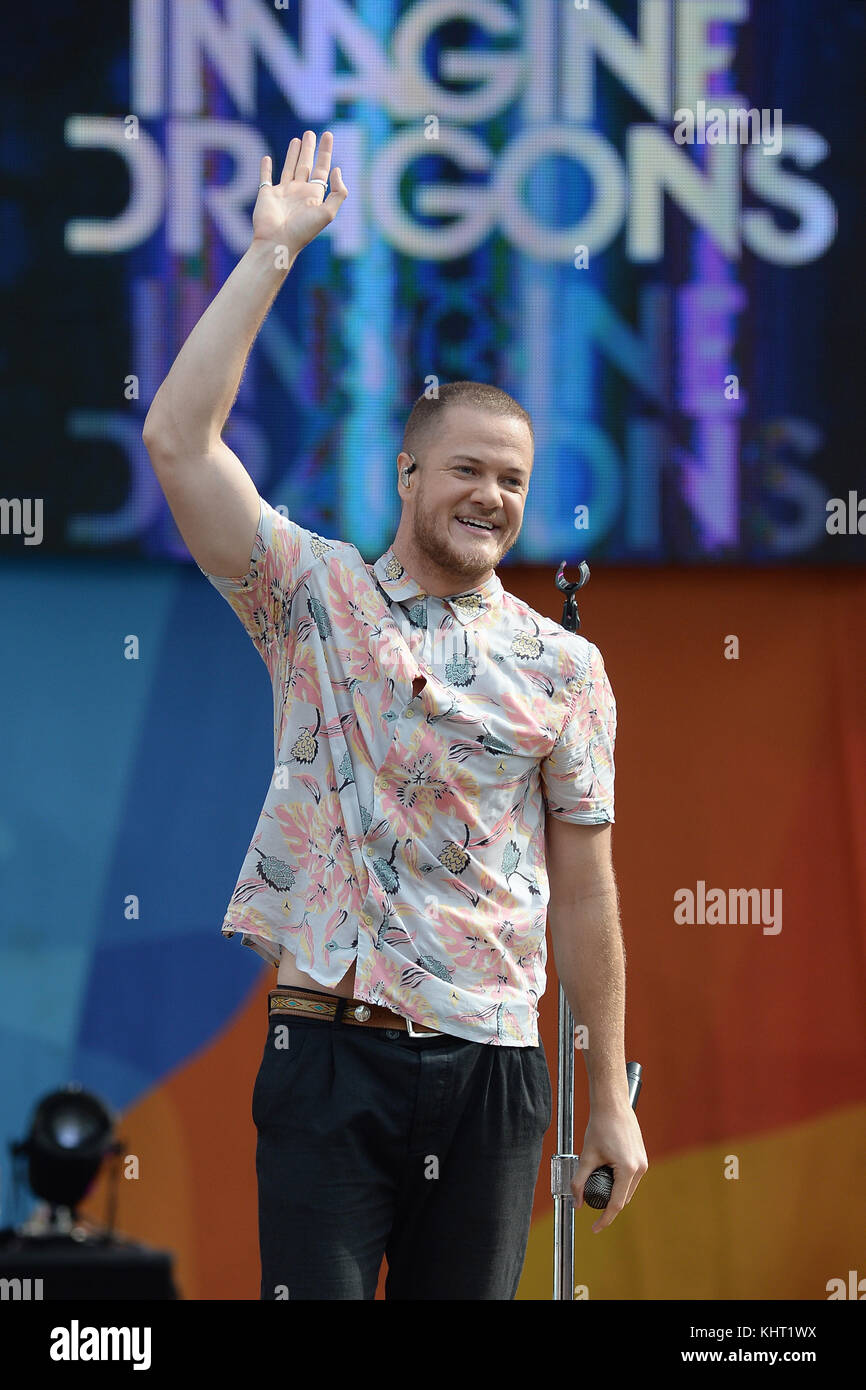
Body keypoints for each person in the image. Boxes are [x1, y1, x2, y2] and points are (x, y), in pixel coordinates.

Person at [143, 130, 647, 1301]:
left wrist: (609, 1096)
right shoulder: (313, 595)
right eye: (465, 468)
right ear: (408, 475)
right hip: (330, 1045)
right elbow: (176, 440)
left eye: (512, 479)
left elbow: (585, 893)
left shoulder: (564, 667)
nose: (489, 495)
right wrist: (271, 253)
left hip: (492, 1068)